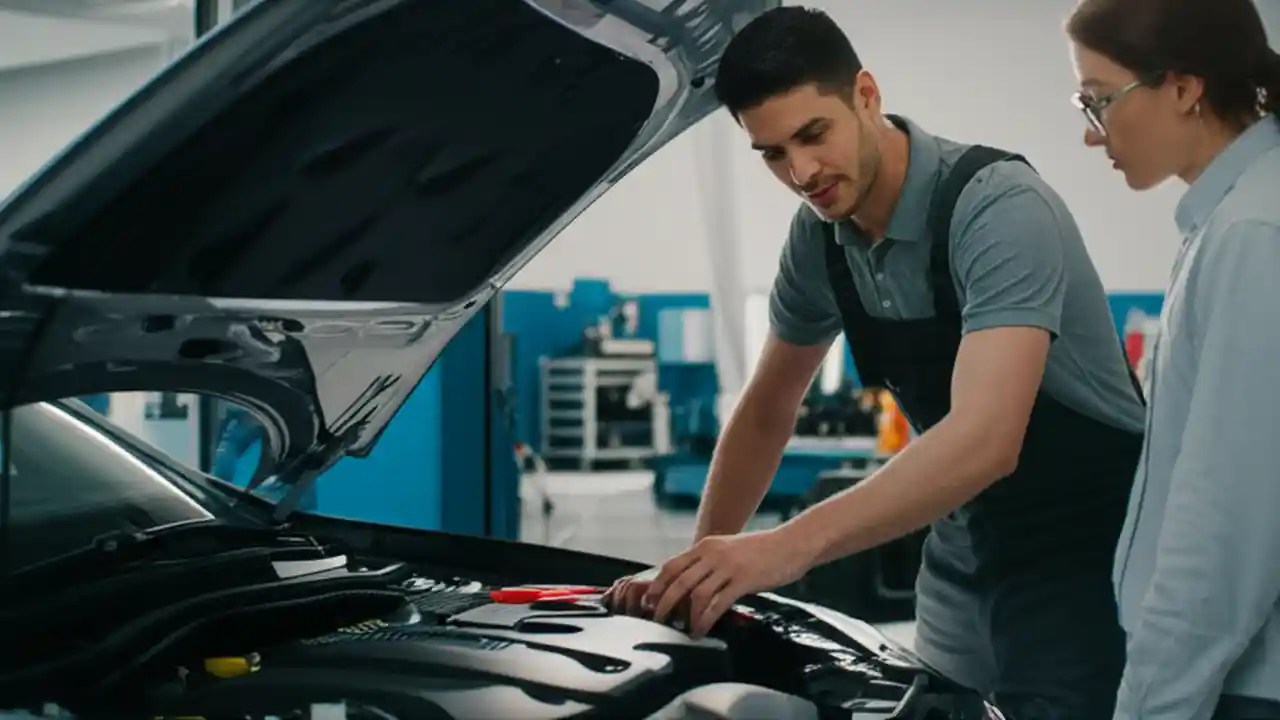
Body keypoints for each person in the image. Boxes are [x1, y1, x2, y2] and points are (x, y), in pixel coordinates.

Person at [604, 7, 1148, 717]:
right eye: (771, 154)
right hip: (959, 555)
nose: (800, 172)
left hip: (1084, 558)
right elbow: (769, 408)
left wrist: (783, 548)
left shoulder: (999, 209)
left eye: (812, 134)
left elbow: (987, 439)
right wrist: (704, 570)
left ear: (866, 94)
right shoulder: (820, 240)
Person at [1064, 1, 1280, 718]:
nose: (1092, 135)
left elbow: (1223, 530)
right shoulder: (1231, 218)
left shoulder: (1254, 233)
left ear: (1184, 88)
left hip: (1243, 684)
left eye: (1099, 102)